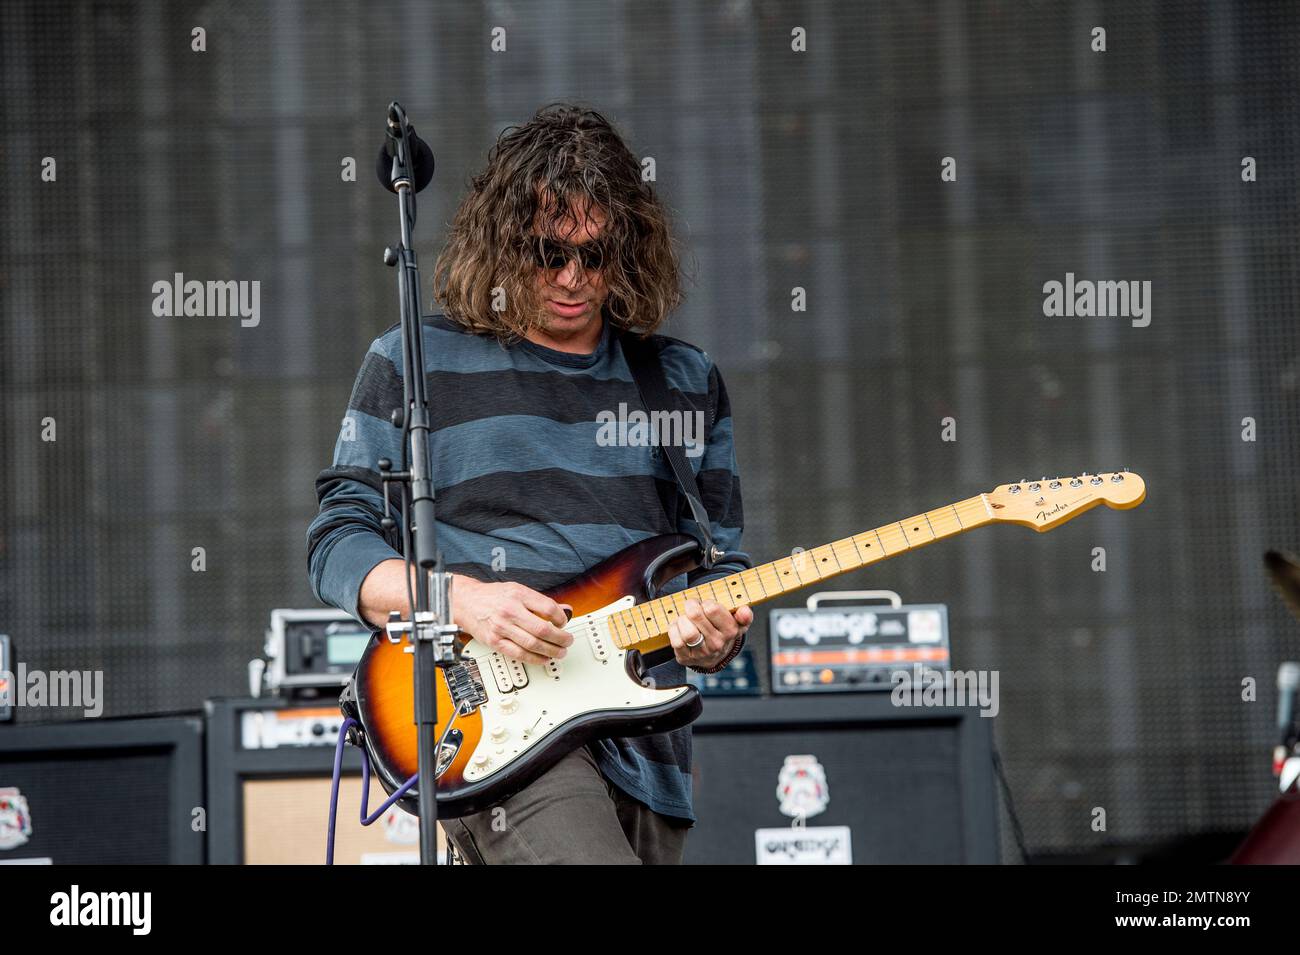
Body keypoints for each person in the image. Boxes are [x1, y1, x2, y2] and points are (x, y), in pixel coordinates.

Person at [307, 103, 751, 864]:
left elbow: (719, 565)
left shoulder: (682, 378)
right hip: (504, 735)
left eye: (598, 253)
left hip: (653, 754)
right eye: (549, 253)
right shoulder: (417, 360)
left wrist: (714, 633)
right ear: (503, 241)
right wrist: (466, 601)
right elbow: (337, 546)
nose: (574, 278)